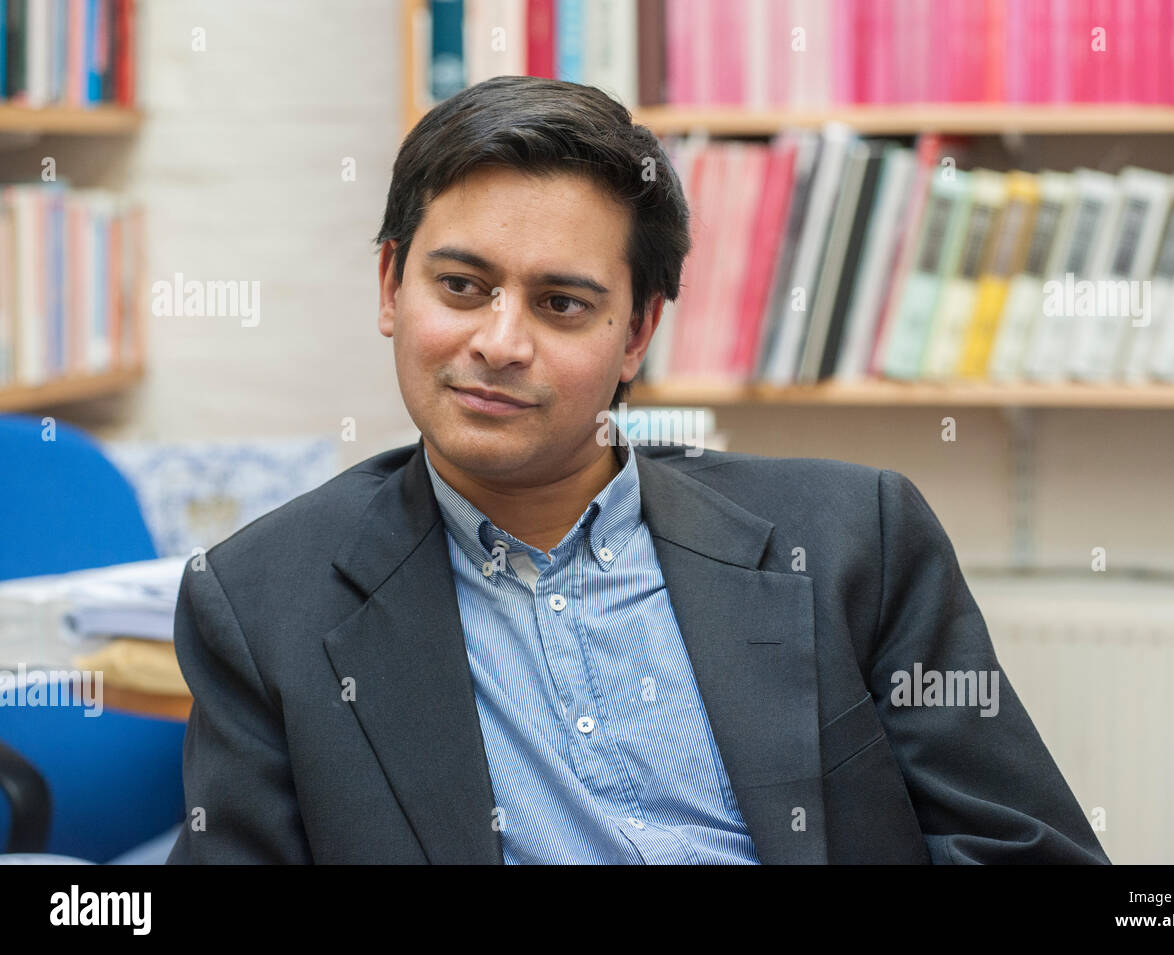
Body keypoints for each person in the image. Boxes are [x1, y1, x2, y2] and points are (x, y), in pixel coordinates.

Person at [166, 75, 1107, 865]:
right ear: (389, 286)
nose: (499, 342)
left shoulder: (856, 535)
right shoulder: (261, 605)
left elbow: (1028, 851)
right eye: (461, 287)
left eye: (562, 304)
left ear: (638, 333)